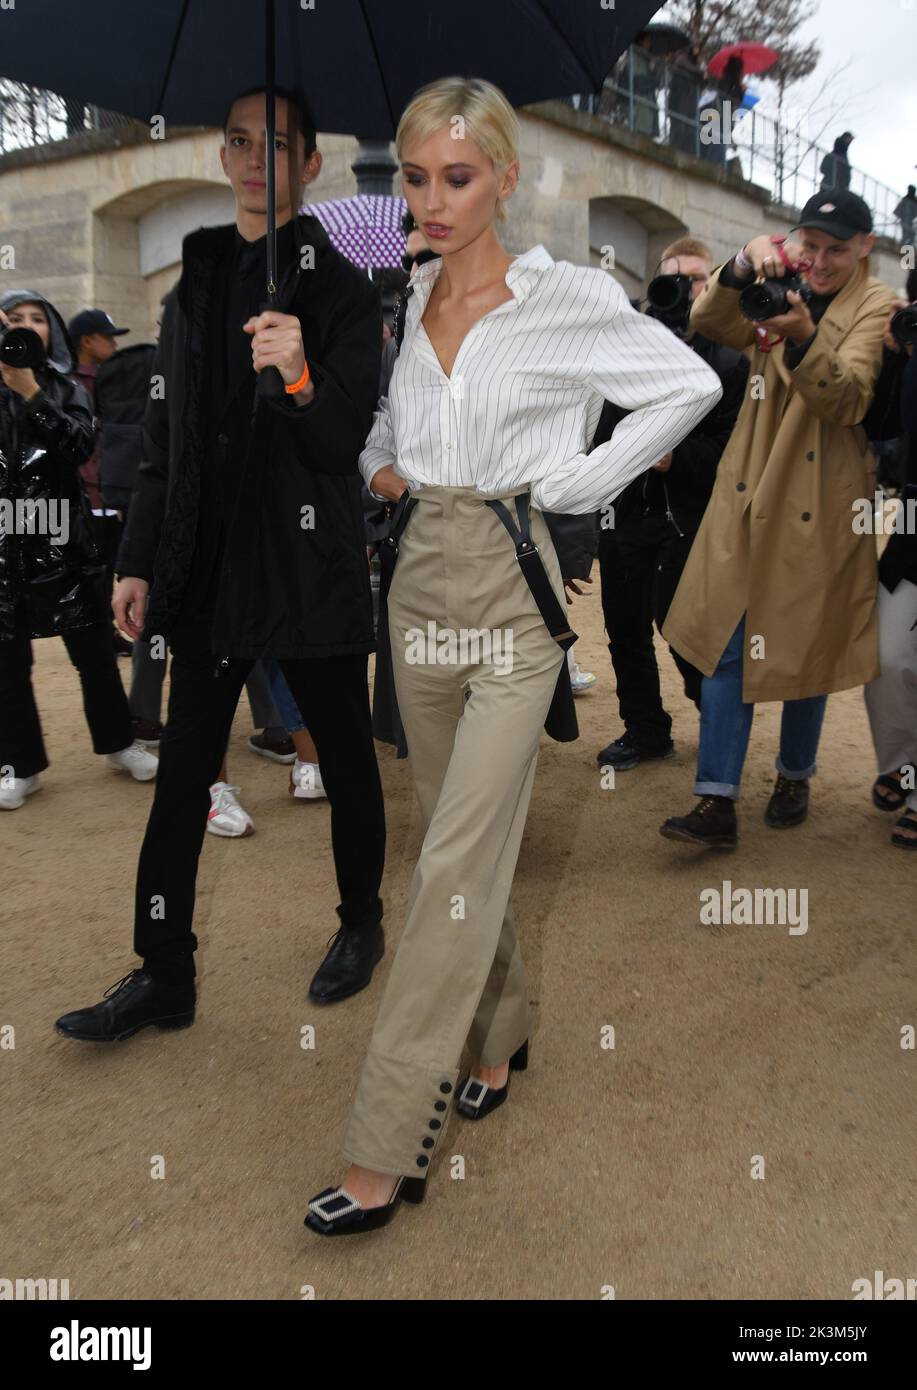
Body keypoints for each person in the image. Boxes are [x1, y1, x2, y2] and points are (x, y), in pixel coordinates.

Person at [304, 74, 722, 1236]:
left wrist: (575, 482)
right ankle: (499, 1032)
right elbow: (376, 426)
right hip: (416, 583)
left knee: (447, 863)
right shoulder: (399, 298)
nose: (432, 201)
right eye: (416, 179)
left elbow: (686, 384)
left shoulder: (567, 296)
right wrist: (382, 466)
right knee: (456, 840)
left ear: (503, 177)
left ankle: (385, 1140)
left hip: (511, 589)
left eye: (457, 177)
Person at [54, 86, 387, 1042]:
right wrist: (137, 559)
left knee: (346, 762)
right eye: (238, 141)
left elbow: (340, 442)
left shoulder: (341, 289)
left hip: (308, 563)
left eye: (275, 144)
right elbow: (166, 437)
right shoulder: (194, 284)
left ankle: (360, 923)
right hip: (206, 569)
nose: (252, 159)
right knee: (182, 778)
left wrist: (298, 374)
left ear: (310, 162)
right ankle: (164, 972)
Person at [659, 190, 896, 847]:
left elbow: (848, 401)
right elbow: (711, 321)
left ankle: (793, 775)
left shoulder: (875, 304)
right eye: (809, 245)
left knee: (804, 647)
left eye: (836, 250)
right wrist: (741, 263)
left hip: (820, 500)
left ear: (865, 248)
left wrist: (803, 337)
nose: (819, 261)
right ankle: (716, 801)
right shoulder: (782, 277)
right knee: (727, 645)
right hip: (749, 489)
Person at [0, 292, 158, 810]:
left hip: (63, 540)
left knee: (93, 652)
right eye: (14, 318)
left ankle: (118, 742)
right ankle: (19, 765)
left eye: (37, 318)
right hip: (3, 547)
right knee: (8, 664)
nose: (27, 326)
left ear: (54, 330)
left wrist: (30, 394)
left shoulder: (65, 388)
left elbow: (79, 447)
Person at [596, 236, 748, 771]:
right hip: (624, 514)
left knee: (684, 631)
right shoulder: (626, 350)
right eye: (672, 278)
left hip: (692, 520)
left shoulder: (731, 360)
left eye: (696, 279)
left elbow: (734, 454)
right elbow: (599, 430)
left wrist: (672, 457)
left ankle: (717, 720)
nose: (683, 288)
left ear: (714, 286)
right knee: (624, 630)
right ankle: (646, 731)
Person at [863, 280, 917, 849]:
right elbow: (880, 428)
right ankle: (902, 764)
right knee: (885, 655)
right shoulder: (911, 346)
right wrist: (895, 354)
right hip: (912, 531)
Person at [67, 308, 133, 656]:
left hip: (109, 491)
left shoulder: (111, 377)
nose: (113, 344)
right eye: (108, 337)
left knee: (107, 568)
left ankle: (106, 633)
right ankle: (97, 636)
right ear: (87, 341)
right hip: (88, 494)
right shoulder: (70, 383)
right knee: (92, 571)